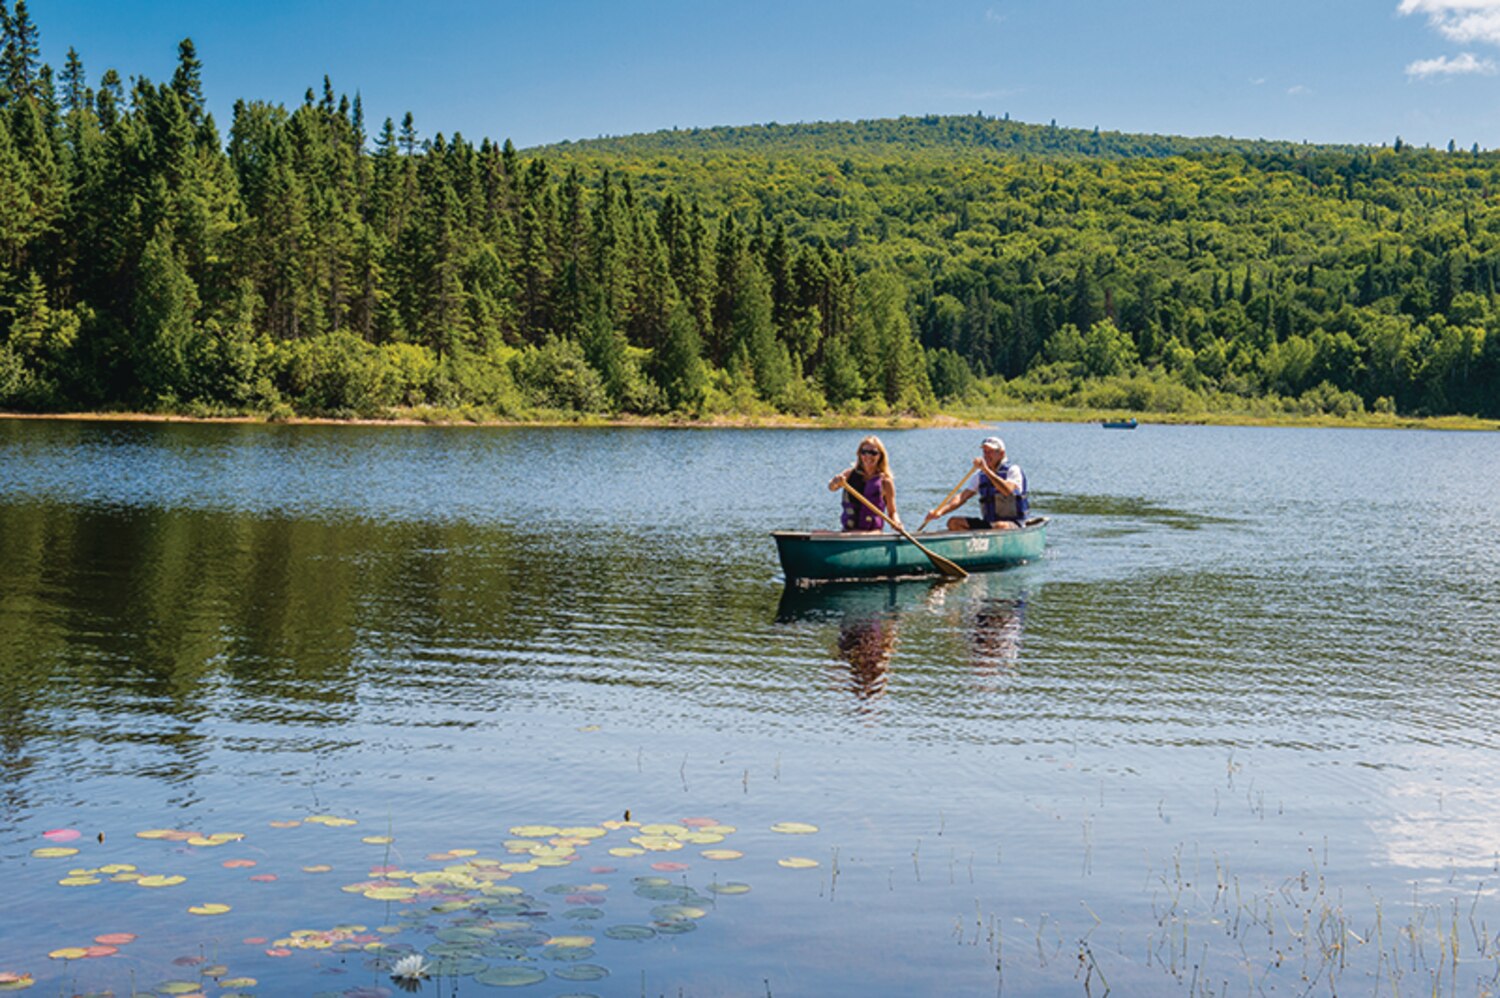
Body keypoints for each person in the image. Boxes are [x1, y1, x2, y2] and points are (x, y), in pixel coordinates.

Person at [924, 436, 1028, 531]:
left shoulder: (1013, 470)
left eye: (990, 452)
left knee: (1000, 526)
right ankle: (973, 548)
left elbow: (1007, 490)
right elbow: (962, 497)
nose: (986, 455)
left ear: (1001, 454)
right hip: (989, 524)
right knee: (953, 522)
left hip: (1013, 525)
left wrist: (987, 471)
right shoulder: (980, 475)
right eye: (985, 452)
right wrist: (940, 512)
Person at [828, 435, 900, 532]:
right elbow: (832, 488)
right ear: (859, 454)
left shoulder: (885, 481)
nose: (868, 456)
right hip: (848, 532)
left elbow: (892, 512)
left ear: (880, 456)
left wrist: (897, 522)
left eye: (873, 453)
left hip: (872, 533)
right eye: (864, 452)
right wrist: (835, 482)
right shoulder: (849, 474)